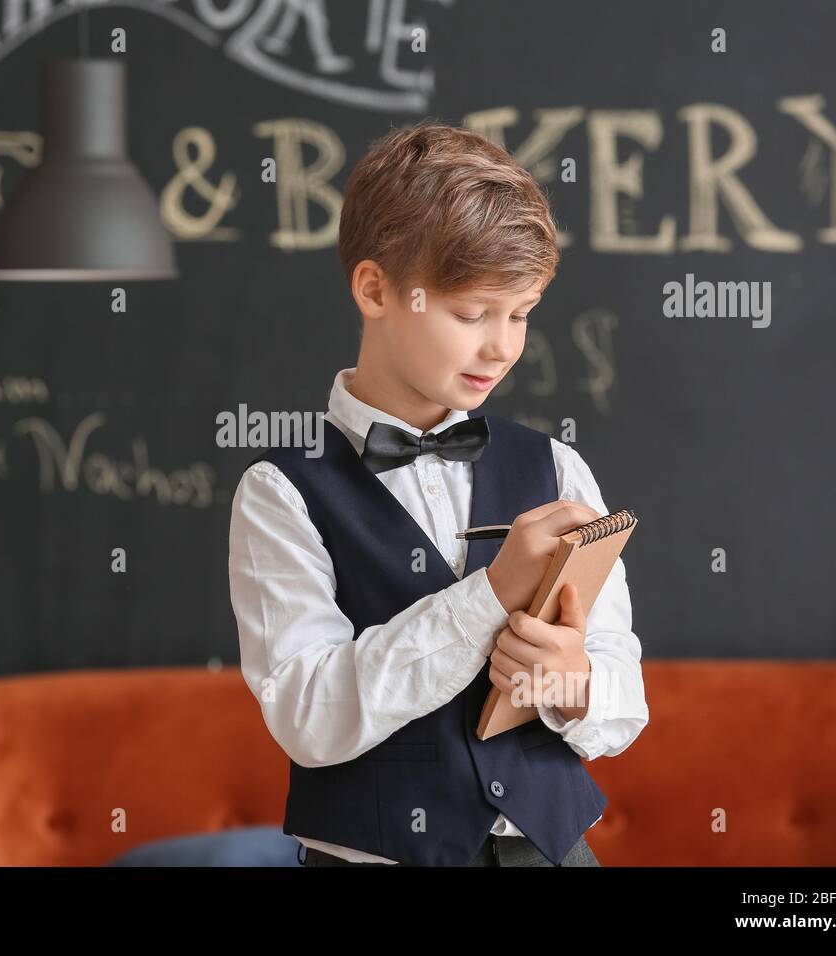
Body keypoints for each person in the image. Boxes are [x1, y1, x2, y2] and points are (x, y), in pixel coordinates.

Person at [228, 121, 649, 867]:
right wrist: (493, 595)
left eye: (521, 315)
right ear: (375, 289)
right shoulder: (280, 494)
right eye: (470, 314)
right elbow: (308, 717)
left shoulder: (556, 467)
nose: (502, 346)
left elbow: (624, 699)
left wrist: (571, 682)